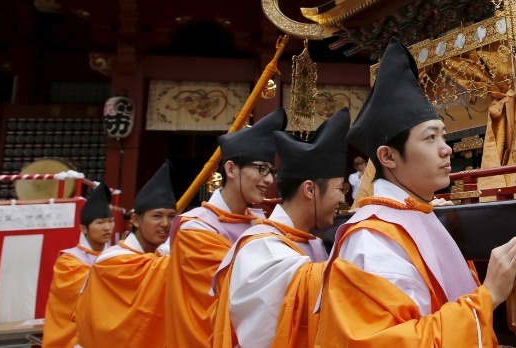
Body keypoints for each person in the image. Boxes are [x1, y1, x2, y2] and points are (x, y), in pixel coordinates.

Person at [313, 38, 516, 346]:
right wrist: (488, 295)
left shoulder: (417, 214)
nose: (446, 149)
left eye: (443, 136)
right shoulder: (373, 238)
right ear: (388, 157)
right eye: (430, 138)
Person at [210, 107, 350, 348]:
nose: (343, 200)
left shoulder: (312, 242)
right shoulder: (264, 250)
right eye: (341, 189)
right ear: (309, 190)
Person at [165, 108, 286, 348]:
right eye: (261, 169)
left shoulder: (259, 222)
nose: (269, 180)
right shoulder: (196, 230)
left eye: (271, 171)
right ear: (230, 169)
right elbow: (240, 288)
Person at [75, 161, 177, 348]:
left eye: (171, 216)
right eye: (157, 216)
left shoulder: (161, 258)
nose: (165, 223)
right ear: (136, 220)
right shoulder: (113, 262)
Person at [42, 182, 113, 348]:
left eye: (110, 221)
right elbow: (83, 296)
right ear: (83, 228)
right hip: (72, 336)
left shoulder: (116, 256)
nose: (107, 228)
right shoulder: (69, 260)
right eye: (100, 223)